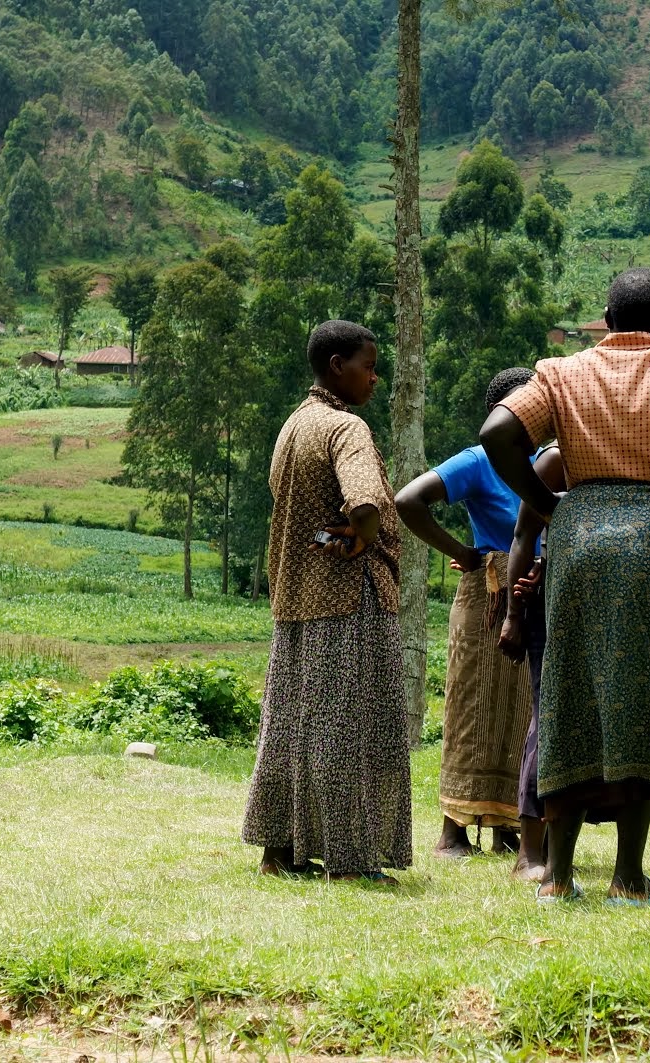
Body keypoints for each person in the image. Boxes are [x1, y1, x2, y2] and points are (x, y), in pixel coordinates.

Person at [480, 268, 650, 905]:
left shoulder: (560, 371)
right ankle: (629, 879)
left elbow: (498, 432)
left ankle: (557, 876)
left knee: (570, 697)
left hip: (580, 538)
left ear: (606, 320)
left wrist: (545, 501)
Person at [241, 320, 412, 886]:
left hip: (294, 598)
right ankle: (352, 859)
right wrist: (363, 538)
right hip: (347, 600)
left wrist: (326, 539)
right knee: (351, 727)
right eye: (368, 365)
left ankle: (279, 850)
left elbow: (309, 523)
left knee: (290, 725)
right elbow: (363, 501)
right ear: (338, 366)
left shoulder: (292, 427)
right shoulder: (346, 428)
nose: (375, 377)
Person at [395, 368, 537, 864]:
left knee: (525, 711)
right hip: (485, 596)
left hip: (535, 591)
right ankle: (454, 828)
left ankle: (509, 826)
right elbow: (409, 501)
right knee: (472, 707)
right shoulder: (478, 462)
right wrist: (465, 552)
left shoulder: (548, 461)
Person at [497, 444, 568, 884]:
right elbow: (524, 536)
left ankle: (563, 845)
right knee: (547, 720)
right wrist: (513, 615)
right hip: (548, 606)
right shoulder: (555, 460)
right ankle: (528, 850)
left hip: (594, 600)